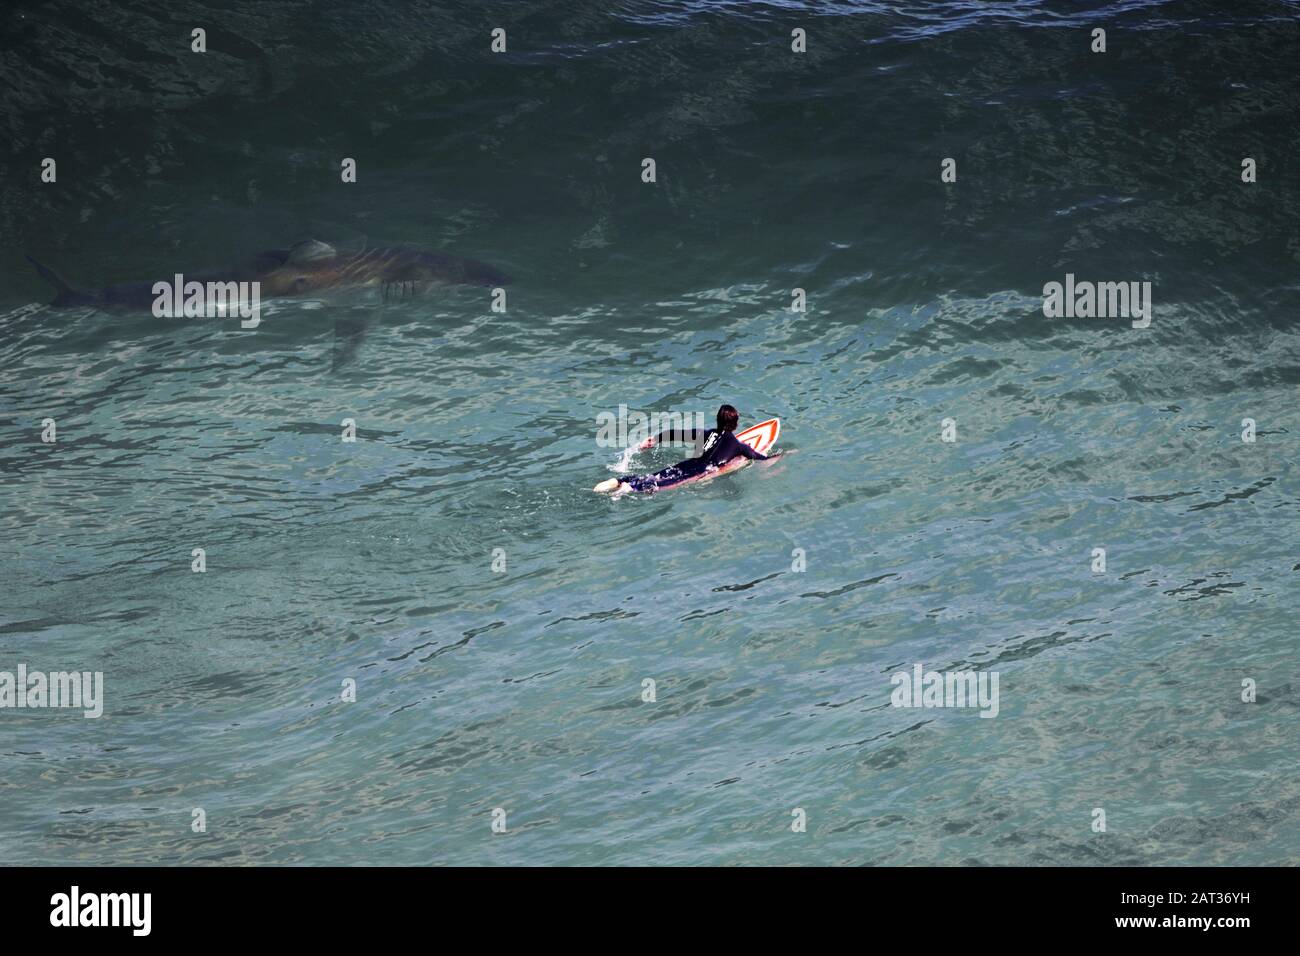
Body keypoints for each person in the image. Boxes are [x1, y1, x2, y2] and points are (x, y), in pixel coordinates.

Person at [594, 404, 774, 493]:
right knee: (659, 485)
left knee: (655, 475)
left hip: (686, 464)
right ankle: (628, 489)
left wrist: (654, 439)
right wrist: (784, 454)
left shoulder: (704, 434)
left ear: (718, 420)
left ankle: (619, 480)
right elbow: (761, 457)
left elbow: (677, 434)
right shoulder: (738, 446)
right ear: (735, 425)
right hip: (700, 472)